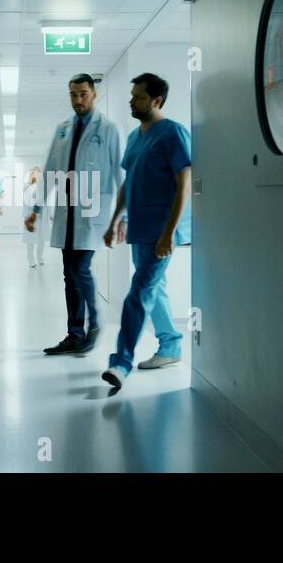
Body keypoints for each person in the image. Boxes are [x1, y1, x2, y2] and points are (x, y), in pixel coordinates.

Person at [101, 73, 192, 389]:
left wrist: (169, 233)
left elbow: (185, 184)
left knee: (138, 293)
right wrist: (115, 220)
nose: (131, 101)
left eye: (138, 97)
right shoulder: (135, 137)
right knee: (156, 289)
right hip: (139, 228)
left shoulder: (173, 133)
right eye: (132, 96)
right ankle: (171, 346)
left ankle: (121, 363)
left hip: (161, 230)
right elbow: (129, 183)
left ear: (157, 100)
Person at [26, 73, 124, 355]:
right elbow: (49, 172)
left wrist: (122, 217)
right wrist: (36, 209)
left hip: (94, 214)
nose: (78, 100)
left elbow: (120, 173)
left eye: (83, 94)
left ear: (94, 94)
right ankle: (74, 334)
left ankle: (94, 324)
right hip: (67, 213)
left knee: (80, 269)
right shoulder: (62, 129)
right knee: (69, 275)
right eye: (73, 94)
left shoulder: (108, 129)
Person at [22, 167, 48, 268]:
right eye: (34, 172)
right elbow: (26, 203)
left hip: (42, 216)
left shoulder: (44, 187)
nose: (37, 174)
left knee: (41, 238)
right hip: (31, 216)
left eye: (38, 172)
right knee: (30, 238)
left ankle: (40, 257)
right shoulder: (27, 186)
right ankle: (31, 259)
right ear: (31, 175)